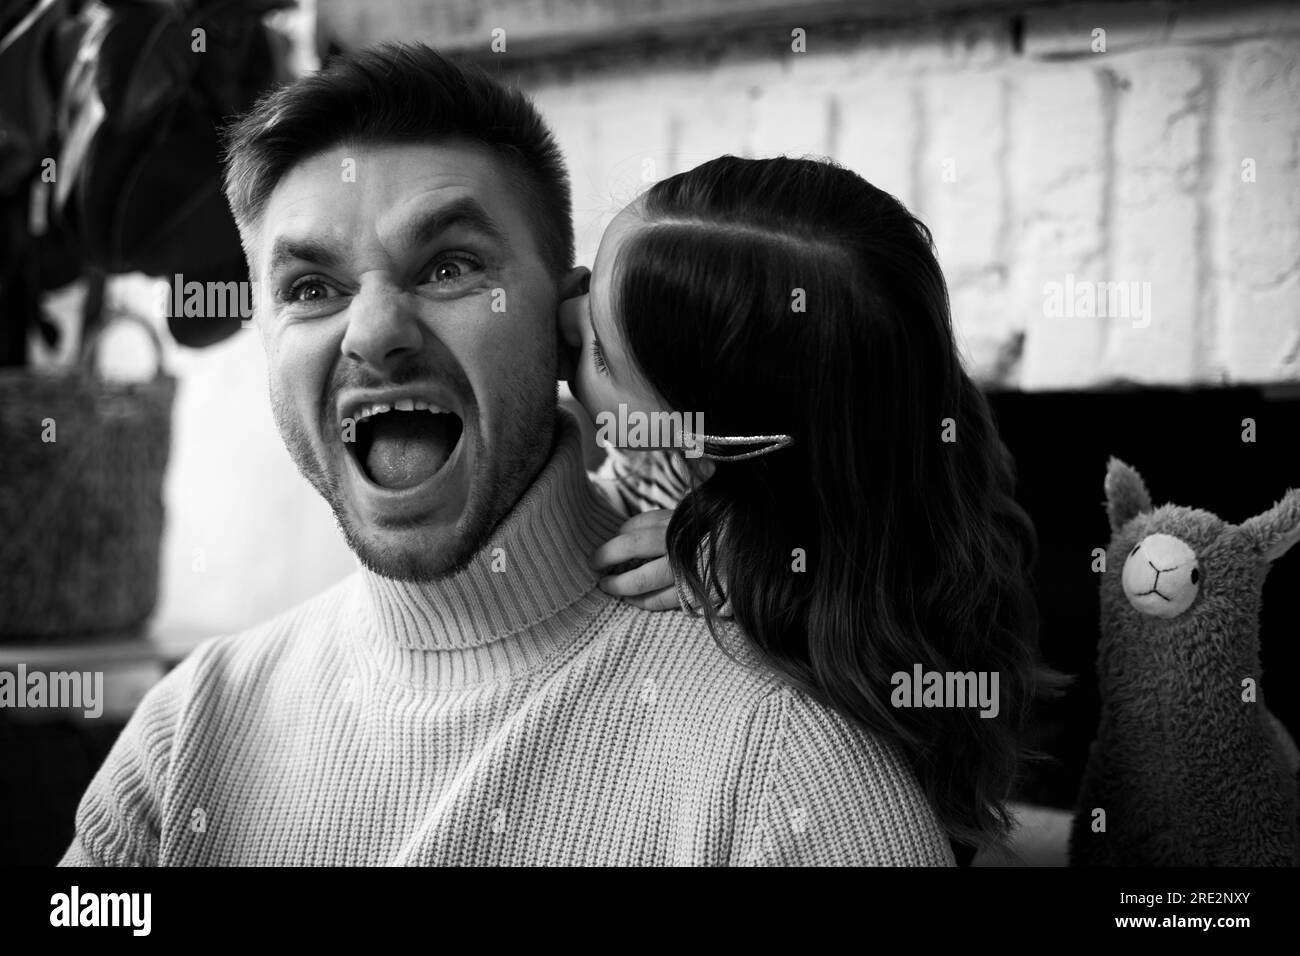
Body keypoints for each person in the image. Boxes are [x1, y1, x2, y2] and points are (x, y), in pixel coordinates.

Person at [58, 44, 955, 866]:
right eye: (310, 287)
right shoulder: (185, 739)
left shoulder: (791, 776)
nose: (373, 334)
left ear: (556, 313)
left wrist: (754, 558)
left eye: (449, 266)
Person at [567, 156, 1052, 853]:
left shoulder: (891, 570)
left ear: (731, 441)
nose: (561, 318)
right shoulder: (697, 441)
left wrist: (766, 571)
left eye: (600, 354)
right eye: (586, 286)